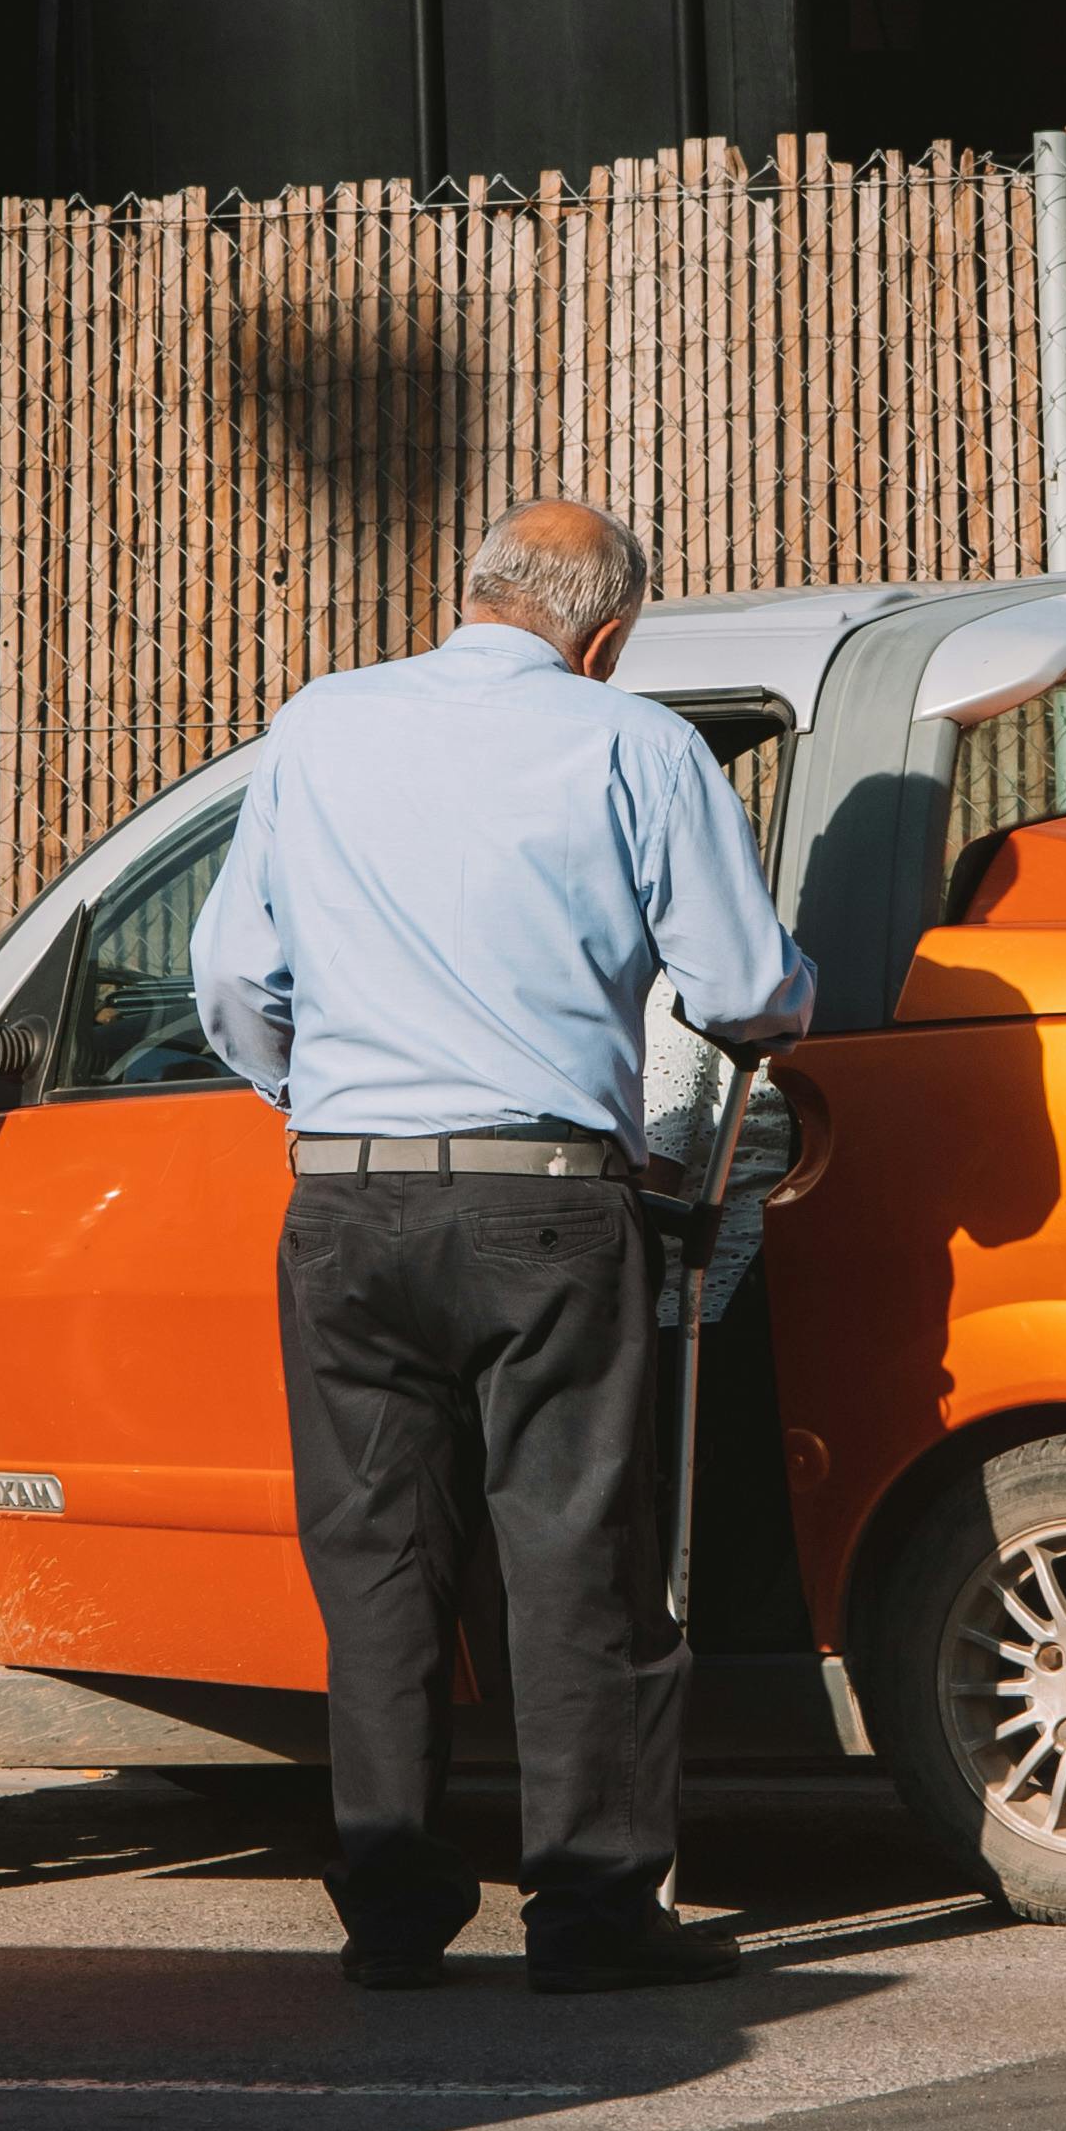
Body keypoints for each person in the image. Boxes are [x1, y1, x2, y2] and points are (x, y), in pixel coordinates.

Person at [191, 496, 814, 1995]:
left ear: (471, 592)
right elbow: (742, 989)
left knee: (379, 1562)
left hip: (345, 1195)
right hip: (548, 1204)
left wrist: (324, 1092)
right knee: (574, 1556)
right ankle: (594, 1916)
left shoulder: (321, 727)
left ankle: (393, 1915)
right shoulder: (635, 745)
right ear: (604, 636)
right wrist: (788, 990)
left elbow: (229, 977)